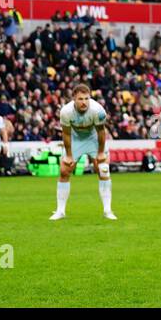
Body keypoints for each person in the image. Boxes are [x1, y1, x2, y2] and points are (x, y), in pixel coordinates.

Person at [51, 83, 115, 221]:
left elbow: (101, 132)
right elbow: (66, 134)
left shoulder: (98, 110)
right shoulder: (66, 112)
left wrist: (100, 153)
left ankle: (107, 210)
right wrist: (68, 155)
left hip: (93, 138)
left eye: (86, 98)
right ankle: (60, 211)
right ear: (74, 98)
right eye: (80, 99)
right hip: (76, 139)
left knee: (103, 169)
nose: (84, 102)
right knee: (64, 171)